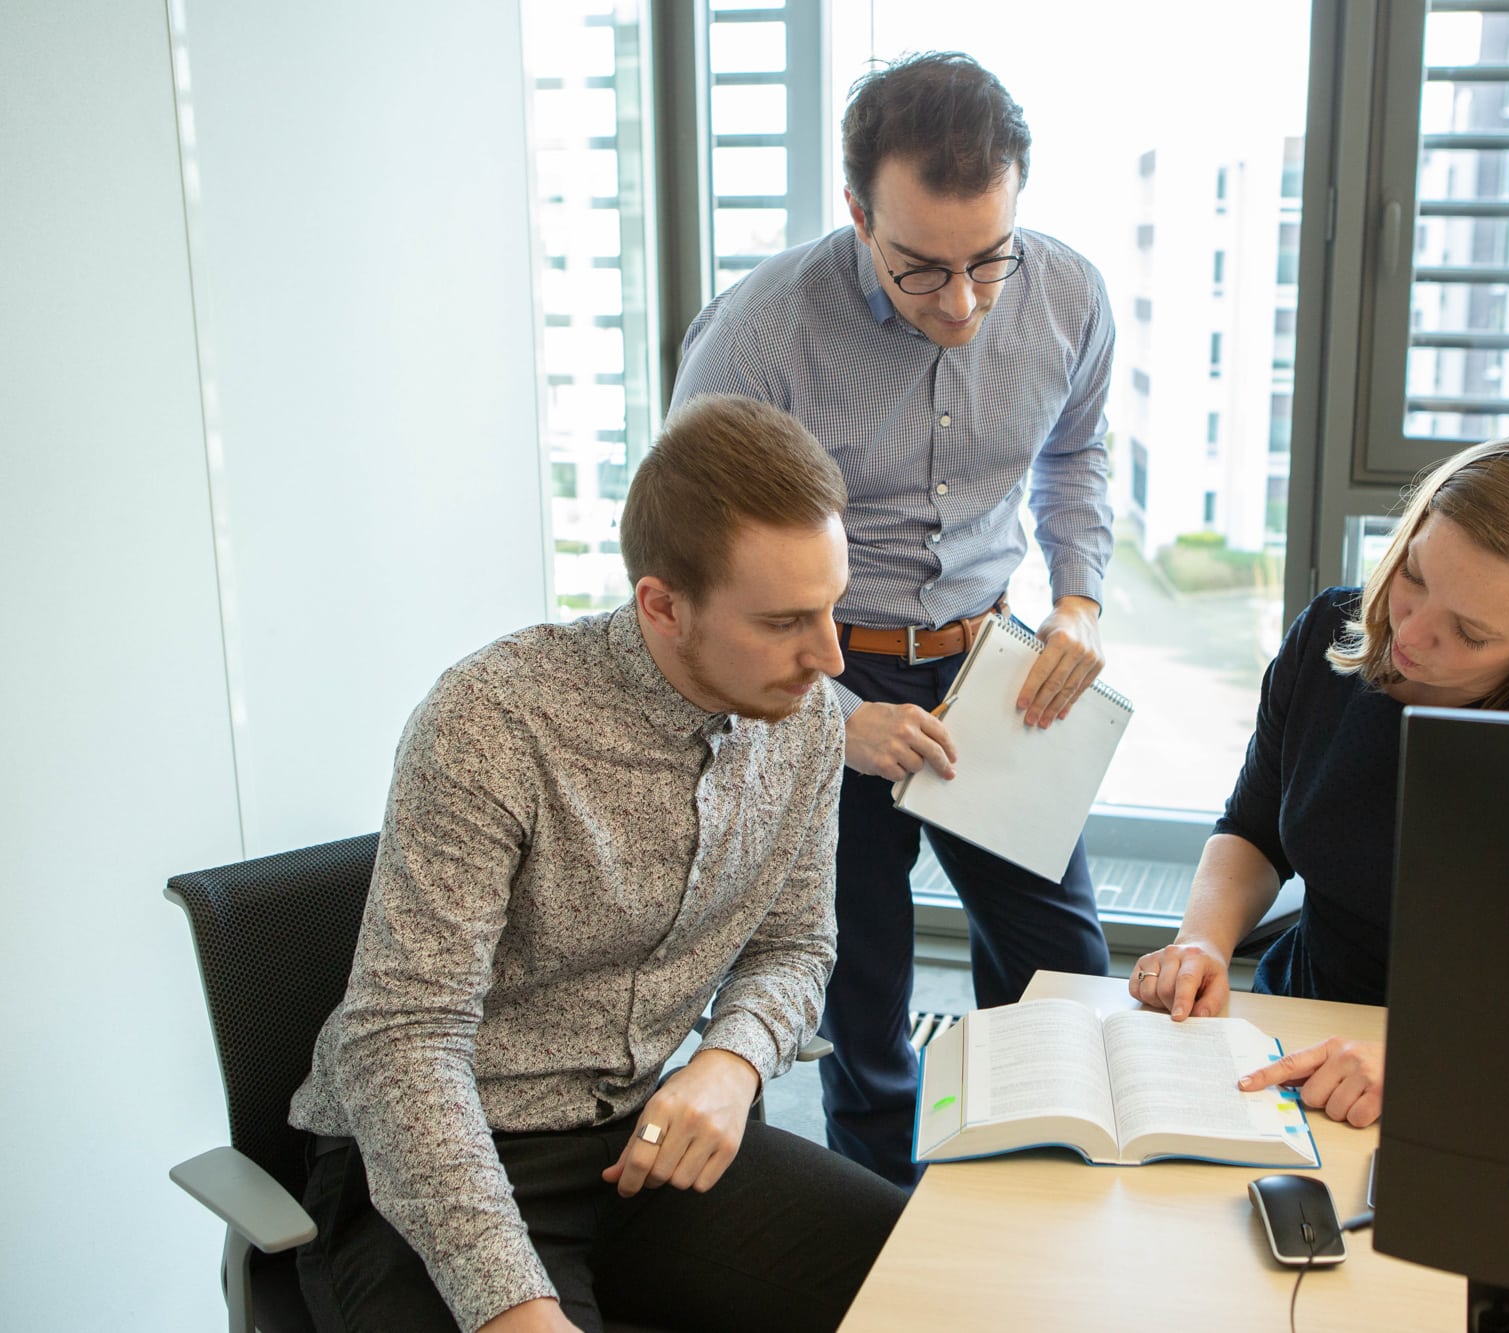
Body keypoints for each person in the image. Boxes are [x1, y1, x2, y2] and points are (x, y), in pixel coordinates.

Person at [287, 395, 906, 1333]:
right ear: (662, 604)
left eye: (832, 608)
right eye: (785, 621)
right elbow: (401, 1040)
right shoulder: (493, 721)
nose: (827, 656)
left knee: (936, 1284)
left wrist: (730, 1063)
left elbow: (795, 945)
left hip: (643, 1142)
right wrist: (516, 1306)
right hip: (444, 1158)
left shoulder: (807, 720)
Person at [670, 51, 1116, 1187]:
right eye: (922, 270)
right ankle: (877, 1262)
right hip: (821, 678)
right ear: (859, 215)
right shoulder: (757, 339)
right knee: (859, 1016)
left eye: (987, 262)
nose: (961, 305)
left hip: (995, 675)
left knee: (1063, 983)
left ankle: (1034, 1236)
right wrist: (831, 720)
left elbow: (1075, 455)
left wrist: (1079, 597)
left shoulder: (1069, 295)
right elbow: (701, 574)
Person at [1130, 426, 1509, 1131]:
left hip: (1464, 1087)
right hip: (1293, 1026)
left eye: (1470, 632)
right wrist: (1202, 941)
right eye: (1415, 575)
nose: (1408, 636)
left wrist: (1416, 1059)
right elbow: (1255, 830)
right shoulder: (1328, 633)